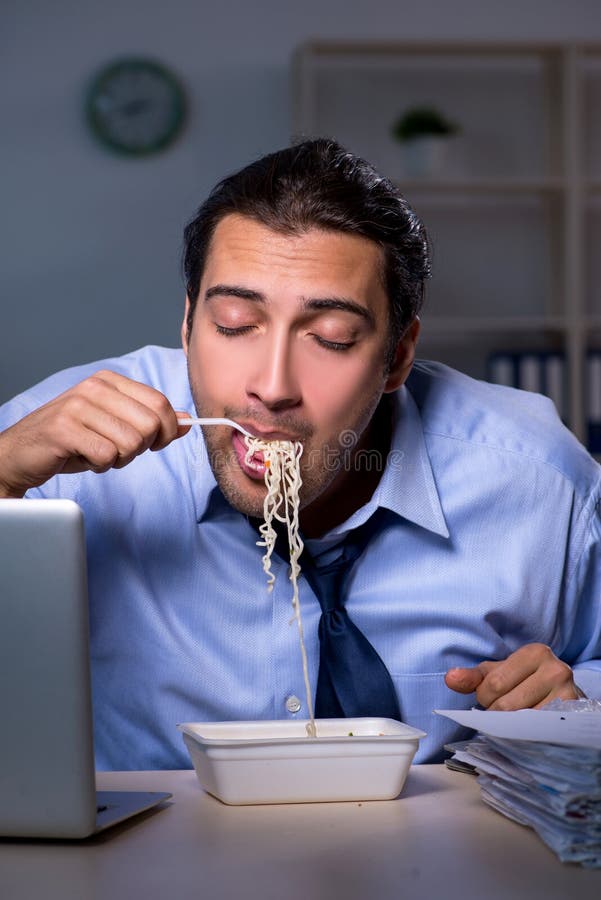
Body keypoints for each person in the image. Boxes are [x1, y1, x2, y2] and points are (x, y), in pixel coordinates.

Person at [0, 138, 599, 770]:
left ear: (397, 357)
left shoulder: (541, 479)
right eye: (234, 324)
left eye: (330, 338)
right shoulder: (58, 452)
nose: (273, 386)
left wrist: (578, 701)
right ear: (186, 327)